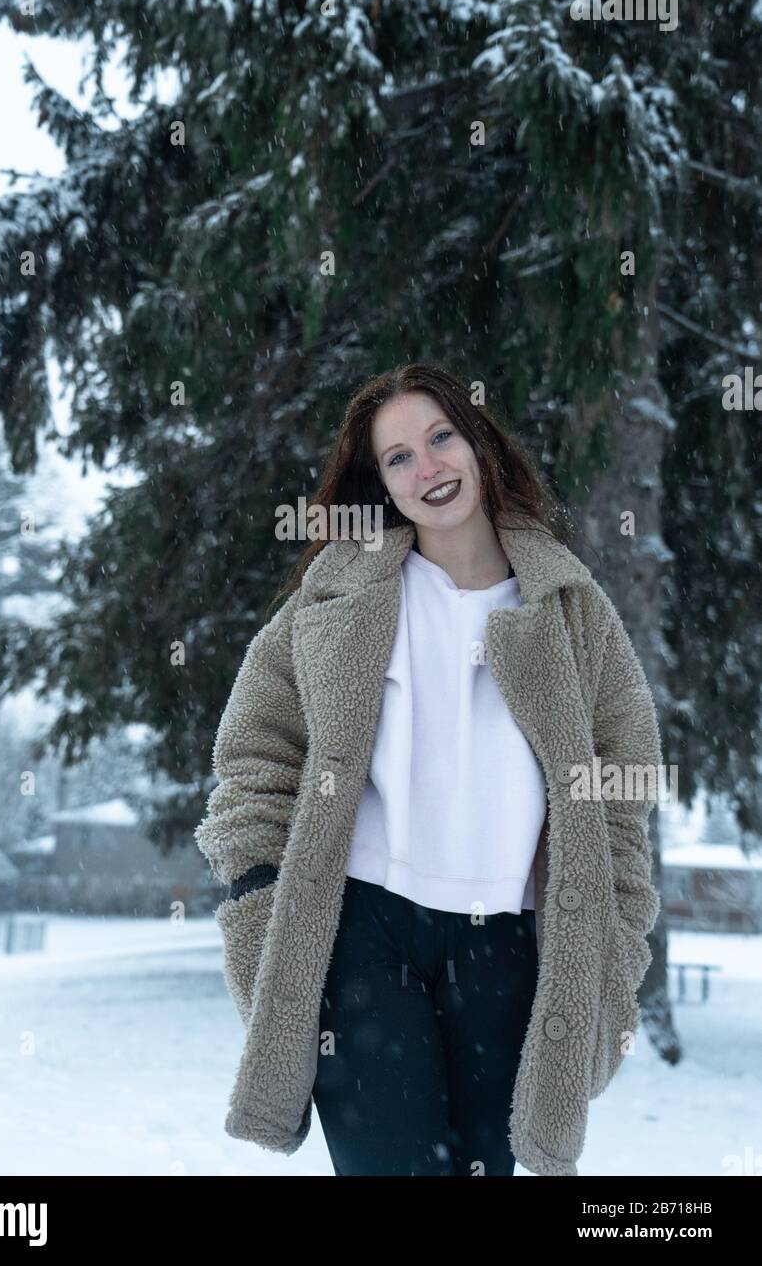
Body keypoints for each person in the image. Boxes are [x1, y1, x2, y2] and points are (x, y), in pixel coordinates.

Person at [194, 363, 662, 1177]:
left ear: (479, 442)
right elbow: (255, 751)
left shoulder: (570, 607)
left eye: (441, 437)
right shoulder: (336, 598)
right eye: (399, 457)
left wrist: (614, 946)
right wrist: (254, 890)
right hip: (362, 939)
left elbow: (625, 789)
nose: (428, 467)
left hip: (507, 952)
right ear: (381, 482)